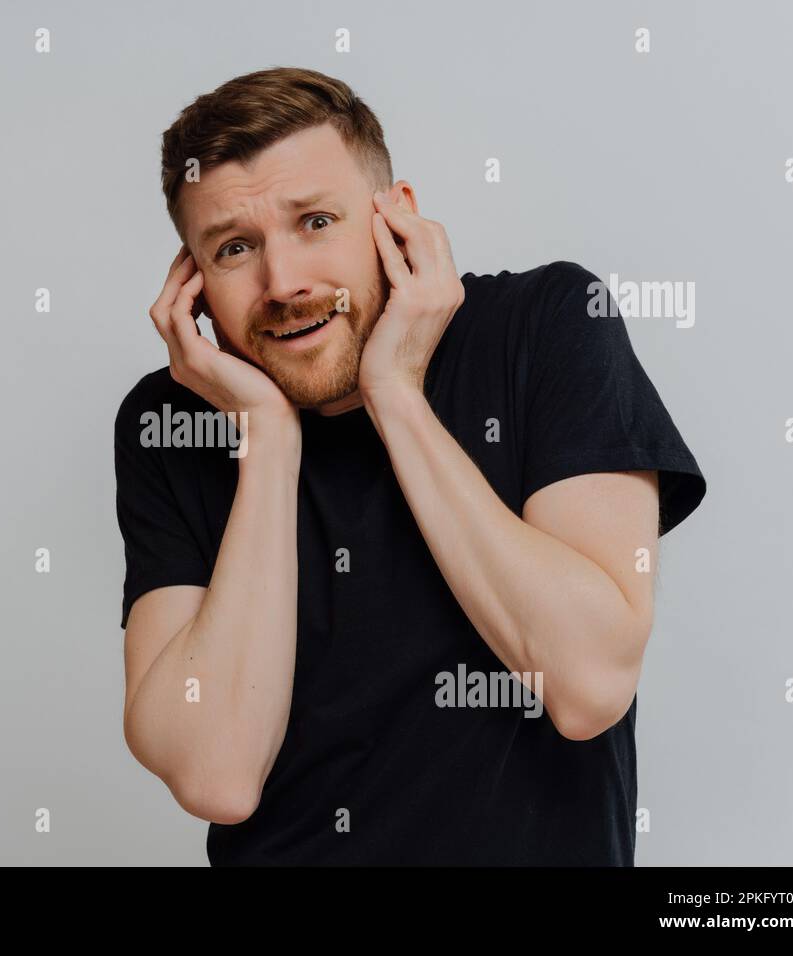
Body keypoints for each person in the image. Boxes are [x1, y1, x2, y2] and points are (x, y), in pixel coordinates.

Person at [113, 66, 706, 865]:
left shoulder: (547, 325)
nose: (282, 282)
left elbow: (588, 685)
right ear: (192, 283)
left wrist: (393, 393)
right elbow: (216, 774)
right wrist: (269, 442)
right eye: (234, 248)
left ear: (396, 221)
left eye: (316, 221)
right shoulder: (174, 421)